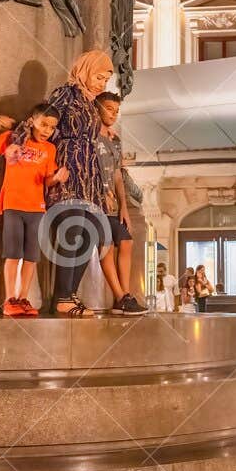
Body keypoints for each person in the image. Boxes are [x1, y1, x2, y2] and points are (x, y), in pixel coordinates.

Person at [44, 50, 128, 317]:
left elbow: (96, 129)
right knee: (72, 231)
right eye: (98, 77)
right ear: (85, 70)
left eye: (105, 80)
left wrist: (105, 132)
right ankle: (61, 297)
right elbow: (46, 122)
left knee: (89, 234)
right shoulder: (65, 94)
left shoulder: (92, 102)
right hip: (69, 169)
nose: (101, 84)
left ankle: (69, 294)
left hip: (90, 176)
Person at [0, 104, 68, 318]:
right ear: (32, 121)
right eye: (43, 124)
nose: (47, 130)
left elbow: (47, 180)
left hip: (36, 207)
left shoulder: (50, 149)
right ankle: (9, 299)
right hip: (13, 204)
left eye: (52, 127)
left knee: (31, 256)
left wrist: (56, 178)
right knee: (13, 253)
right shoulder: (14, 138)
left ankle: (23, 298)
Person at [93, 93, 144, 315]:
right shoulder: (88, 138)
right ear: (97, 109)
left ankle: (124, 295)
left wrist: (124, 206)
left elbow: (117, 175)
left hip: (114, 205)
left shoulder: (115, 141)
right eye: (108, 108)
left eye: (116, 110)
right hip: (94, 203)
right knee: (106, 246)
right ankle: (120, 296)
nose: (113, 113)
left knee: (126, 242)